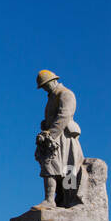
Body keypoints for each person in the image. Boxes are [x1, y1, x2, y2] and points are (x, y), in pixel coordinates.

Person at [34, 69, 84, 207]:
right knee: (50, 167)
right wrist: (45, 125)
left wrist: (50, 134)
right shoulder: (52, 97)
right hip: (54, 136)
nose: (45, 88)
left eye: (46, 85)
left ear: (54, 81)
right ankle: (51, 199)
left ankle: (67, 200)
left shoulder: (65, 94)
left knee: (68, 168)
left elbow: (64, 116)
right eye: (43, 86)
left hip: (64, 138)